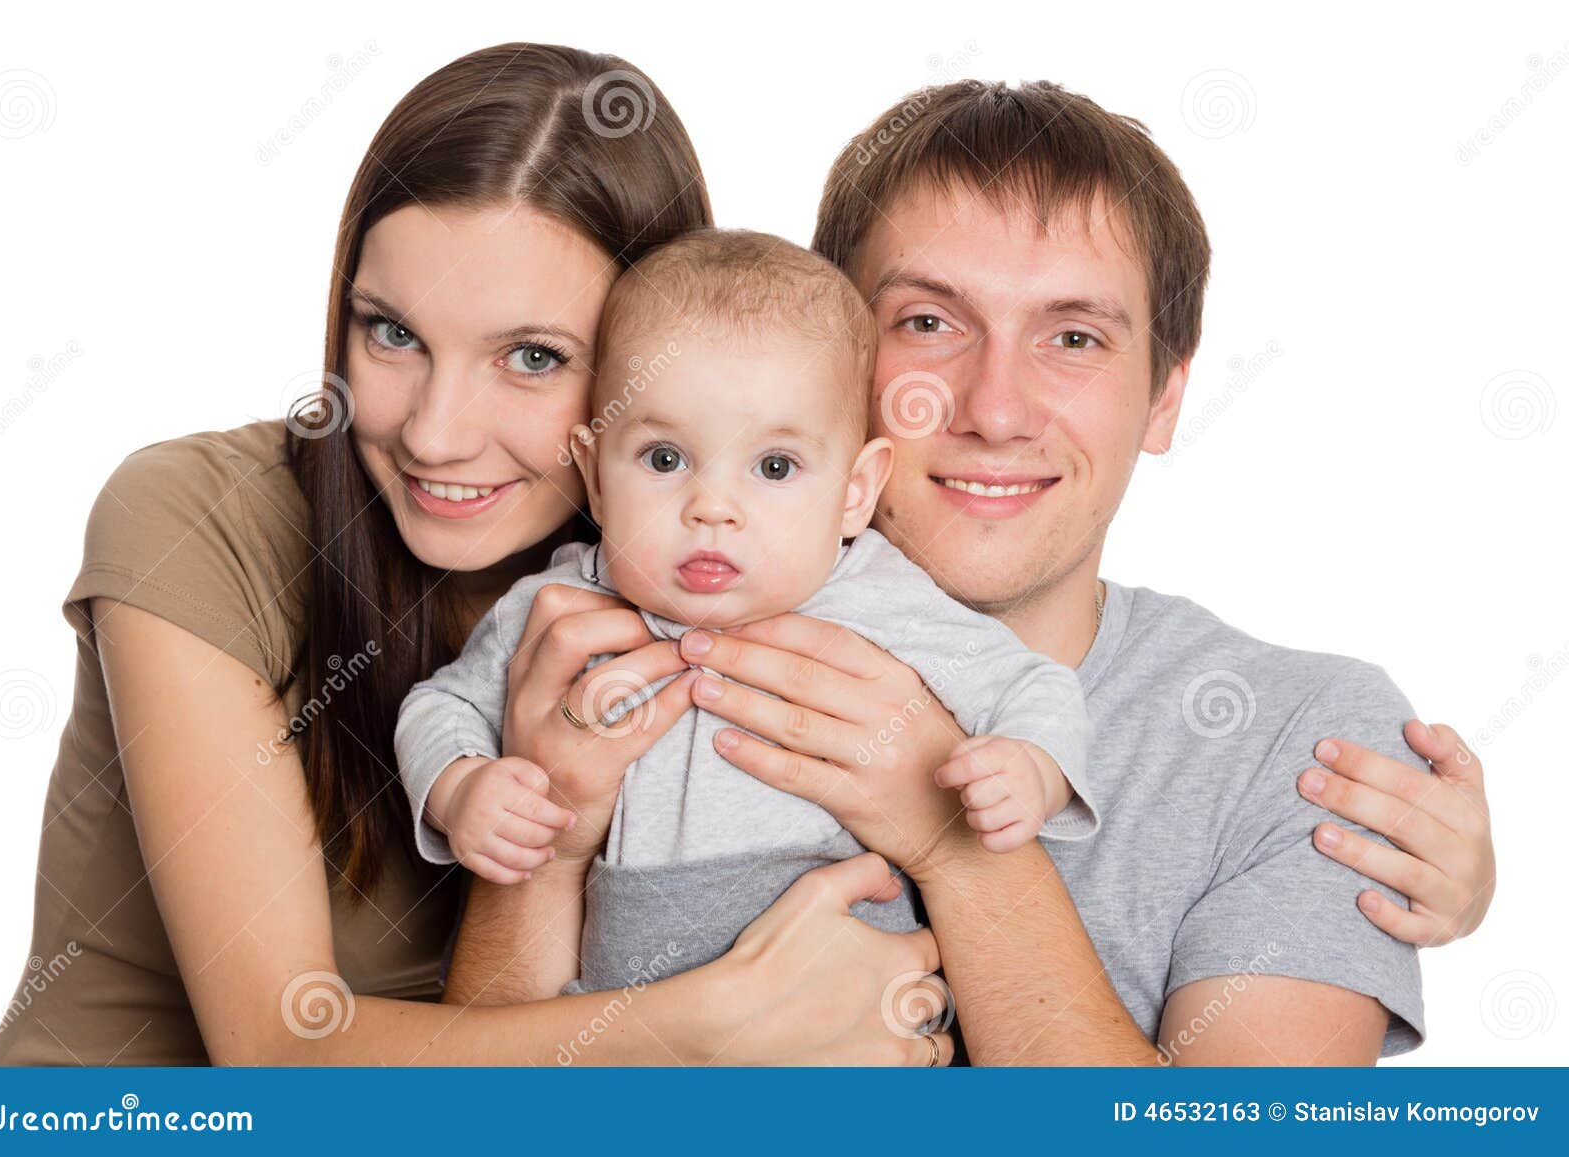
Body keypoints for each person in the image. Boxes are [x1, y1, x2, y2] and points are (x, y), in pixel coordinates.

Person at [448, 79, 1497, 1064]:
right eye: (928, 323)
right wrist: (546, 846)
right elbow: (453, 1127)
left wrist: (951, 839)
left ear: (1166, 396)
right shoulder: (608, 628)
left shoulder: (1306, 742)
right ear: (836, 363)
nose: (993, 408)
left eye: (1074, 336)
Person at [0, 44, 950, 1068]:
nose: (436, 434)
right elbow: (275, 1052)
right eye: (390, 332)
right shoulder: (194, 514)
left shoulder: (717, 557)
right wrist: (716, 1022)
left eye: (531, 357)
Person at [394, 229, 1095, 995]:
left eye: (775, 466)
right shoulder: (560, 609)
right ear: (595, 474)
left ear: (856, 489)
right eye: (665, 459)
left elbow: (1031, 684)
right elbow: (438, 704)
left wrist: (1030, 765)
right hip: (621, 1027)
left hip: (850, 1025)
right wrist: (462, 787)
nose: (713, 508)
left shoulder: (880, 598)